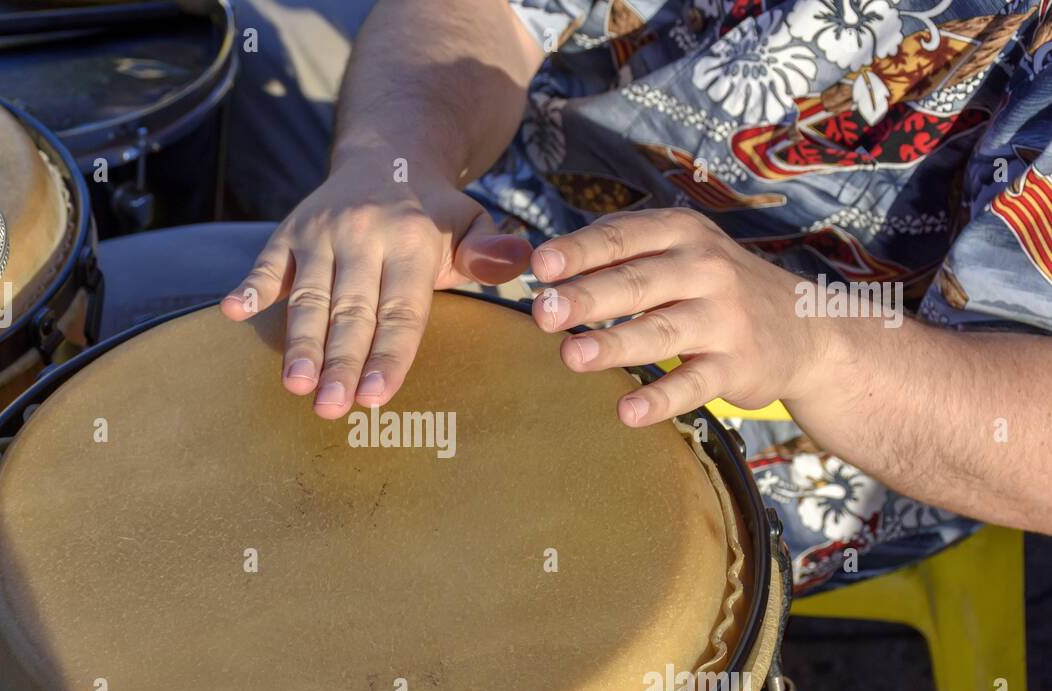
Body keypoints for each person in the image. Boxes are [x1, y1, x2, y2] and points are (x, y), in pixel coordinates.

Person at [114, 0, 1052, 594]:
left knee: (156, 384)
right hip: (501, 202)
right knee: (170, 72)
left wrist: (814, 343)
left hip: (807, 401)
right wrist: (388, 166)